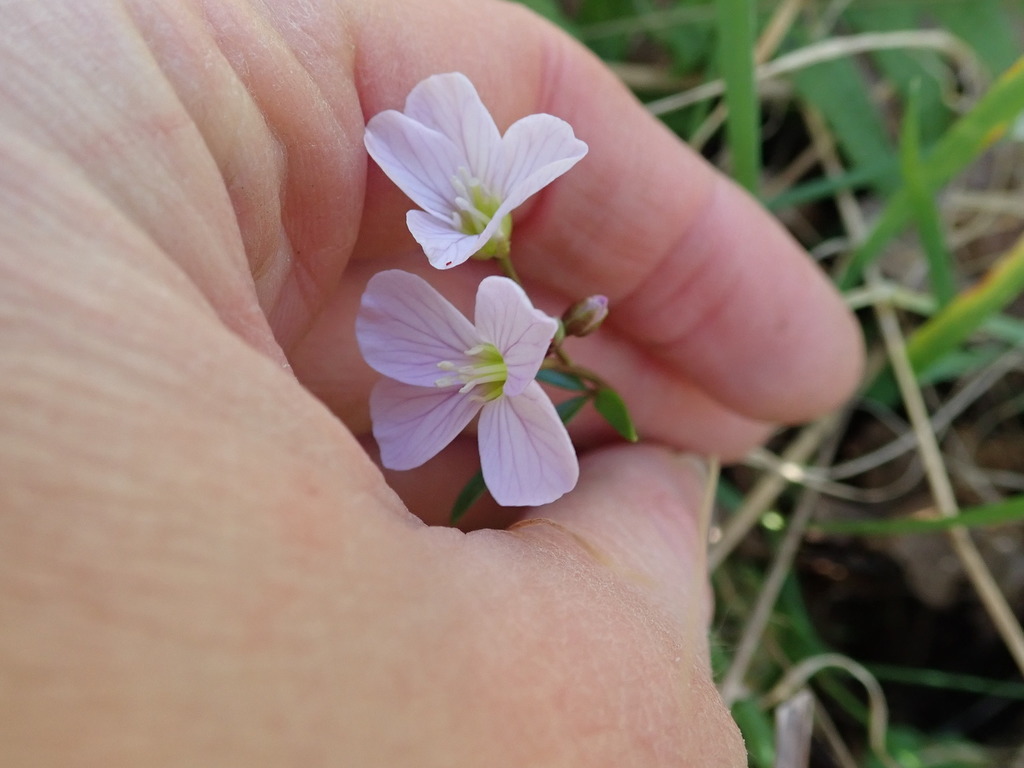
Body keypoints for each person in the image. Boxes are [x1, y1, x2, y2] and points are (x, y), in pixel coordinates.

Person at [0, 0, 863, 764]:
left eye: (488, 221)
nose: (485, 228)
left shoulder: (504, 289)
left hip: (516, 333)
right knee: (469, 378)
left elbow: (510, 330)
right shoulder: (491, 294)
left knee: (497, 352)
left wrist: (511, 334)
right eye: (477, 224)